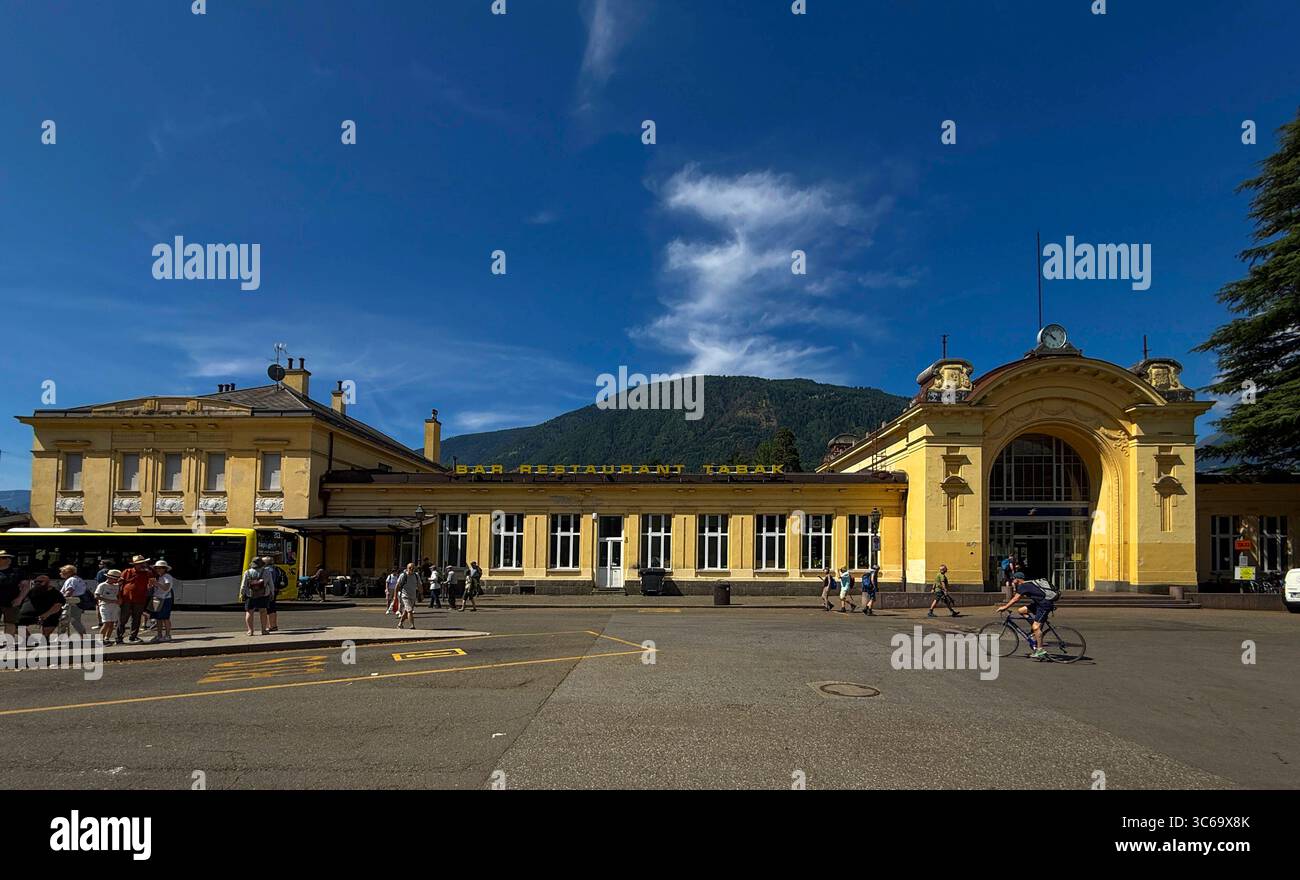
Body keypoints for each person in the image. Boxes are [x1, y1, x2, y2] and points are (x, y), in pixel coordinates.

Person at [995, 574, 1060, 660]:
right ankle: (1034, 630)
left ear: (1017, 579)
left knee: (1036, 627)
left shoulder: (1023, 586)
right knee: (1021, 610)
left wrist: (1005, 607)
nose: (1012, 580)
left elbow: (1015, 599)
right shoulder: (1028, 584)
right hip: (1039, 604)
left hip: (1044, 605)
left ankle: (1040, 650)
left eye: (1013, 579)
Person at [117, 555, 154, 643]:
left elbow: (152, 582)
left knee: (136, 618)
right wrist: (119, 597)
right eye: (139, 563)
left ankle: (133, 636)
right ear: (135, 564)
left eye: (143, 563)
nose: (142, 565)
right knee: (123, 619)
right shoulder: (127, 571)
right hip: (126, 598)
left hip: (140, 599)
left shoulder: (148, 573)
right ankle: (119, 637)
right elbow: (119, 585)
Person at [18, 574, 64, 638]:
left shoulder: (55, 593)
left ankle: (45, 638)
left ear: (48, 583)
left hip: (47, 614)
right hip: (28, 615)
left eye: (40, 582)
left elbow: (57, 606)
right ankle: (29, 639)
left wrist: (46, 615)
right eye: (35, 581)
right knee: (14, 622)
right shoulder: (32, 591)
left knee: (52, 619)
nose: (37, 583)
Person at [0, 549, 30, 638]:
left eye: (9, 557)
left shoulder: (17, 572)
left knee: (10, 623)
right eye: (4, 557)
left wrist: (20, 598)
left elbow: (26, 586)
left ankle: (9, 642)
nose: (8, 559)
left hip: (11, 602)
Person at [147, 561, 176, 643]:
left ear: (165, 569)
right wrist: (152, 585)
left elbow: (166, 588)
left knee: (165, 618)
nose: (158, 569)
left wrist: (156, 583)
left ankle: (167, 635)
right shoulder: (159, 577)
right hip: (157, 598)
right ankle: (159, 635)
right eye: (157, 568)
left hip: (165, 599)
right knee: (158, 618)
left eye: (161, 568)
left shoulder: (167, 576)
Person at [56, 565, 89, 636]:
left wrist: (59, 600)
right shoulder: (78, 579)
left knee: (64, 619)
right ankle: (83, 636)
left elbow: (69, 591)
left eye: (62, 572)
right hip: (78, 603)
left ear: (68, 572)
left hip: (71, 602)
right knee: (74, 620)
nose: (60, 573)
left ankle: (60, 636)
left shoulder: (71, 580)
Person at [241, 559, 271, 636]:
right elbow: (271, 584)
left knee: (249, 612)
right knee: (263, 611)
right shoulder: (267, 572)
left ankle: (250, 631)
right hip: (263, 594)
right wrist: (272, 593)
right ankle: (264, 630)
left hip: (250, 595)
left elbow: (243, 585)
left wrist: (242, 594)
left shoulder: (247, 572)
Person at [94, 569, 123, 646]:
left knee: (112, 623)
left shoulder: (117, 586)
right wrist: (110, 600)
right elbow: (96, 596)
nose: (116, 581)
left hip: (114, 606)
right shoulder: (102, 585)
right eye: (115, 579)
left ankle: (107, 638)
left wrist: (119, 600)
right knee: (106, 622)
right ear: (109, 578)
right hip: (105, 605)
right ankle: (100, 640)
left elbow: (118, 594)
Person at [395, 562, 420, 629]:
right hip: (405, 596)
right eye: (410, 568)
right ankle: (412, 625)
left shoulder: (416, 575)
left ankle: (400, 624)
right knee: (410, 610)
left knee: (406, 611)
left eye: (413, 568)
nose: (411, 569)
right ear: (407, 568)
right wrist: (395, 596)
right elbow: (397, 586)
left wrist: (421, 594)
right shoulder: (403, 575)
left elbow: (419, 585)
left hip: (413, 596)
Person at [262, 557, 284, 632]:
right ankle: (273, 625)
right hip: (275, 589)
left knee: (269, 608)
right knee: (272, 607)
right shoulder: (276, 569)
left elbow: (269, 582)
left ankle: (272, 626)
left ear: (265, 563)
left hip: (269, 590)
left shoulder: (267, 570)